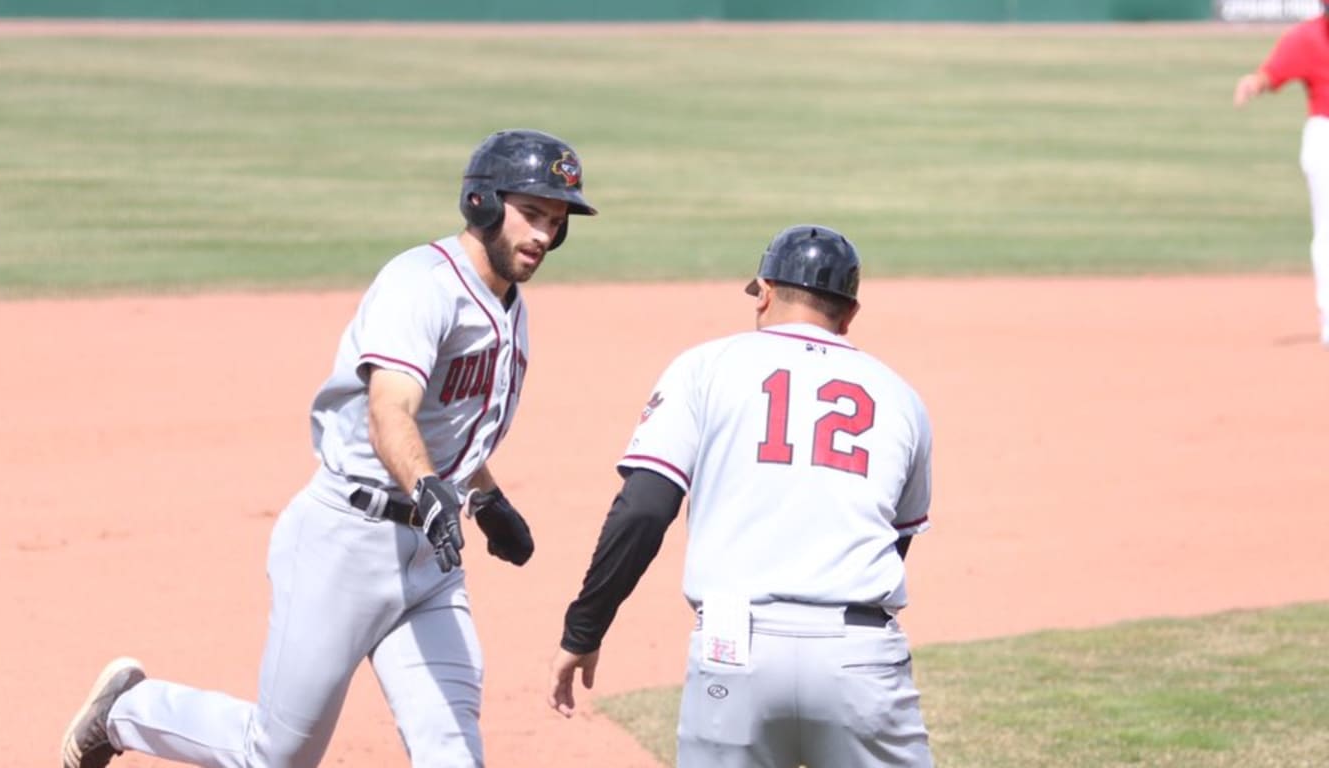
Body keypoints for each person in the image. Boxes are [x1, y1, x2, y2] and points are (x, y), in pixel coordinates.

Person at [60, 128, 598, 768]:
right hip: (344, 541)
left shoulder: (510, 307)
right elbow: (390, 410)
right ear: (483, 203)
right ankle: (124, 712)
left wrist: (485, 499)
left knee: (453, 752)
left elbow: (444, 427)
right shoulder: (421, 285)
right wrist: (430, 492)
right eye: (531, 214)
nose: (542, 235)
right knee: (277, 755)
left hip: (431, 560)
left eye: (556, 222)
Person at [546, 225, 935, 767]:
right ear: (849, 315)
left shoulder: (704, 368)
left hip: (734, 650)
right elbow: (897, 539)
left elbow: (643, 509)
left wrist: (584, 628)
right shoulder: (900, 397)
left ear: (767, 292)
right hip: (859, 658)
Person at [1235, 2, 1329, 346]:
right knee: (1328, 230)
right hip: (1325, 135)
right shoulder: (1307, 37)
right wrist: (1253, 83)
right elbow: (1272, 74)